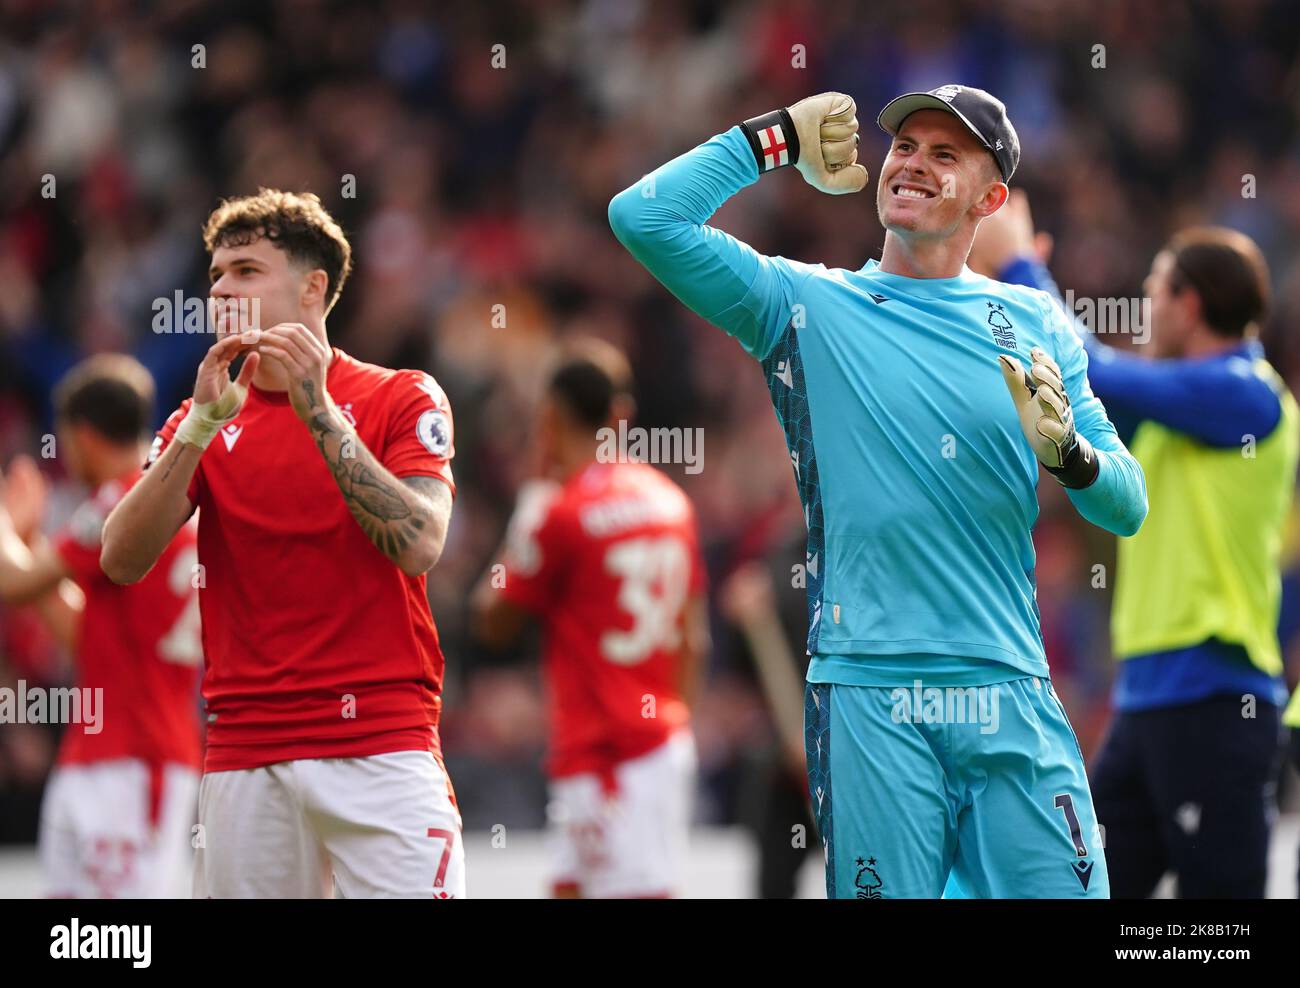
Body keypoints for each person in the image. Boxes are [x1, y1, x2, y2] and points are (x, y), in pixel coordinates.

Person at [610, 84, 1147, 898]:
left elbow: (1128, 501)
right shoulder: (805, 304)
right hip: (870, 694)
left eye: (944, 155)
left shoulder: (1034, 321)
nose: (912, 165)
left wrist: (1069, 455)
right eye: (904, 147)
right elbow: (643, 218)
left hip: (1008, 684)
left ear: (990, 197)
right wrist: (776, 139)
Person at [99, 189, 464, 898]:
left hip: (382, 743)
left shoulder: (401, 396)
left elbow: (419, 543)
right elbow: (121, 557)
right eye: (215, 275)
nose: (221, 289)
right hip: (246, 753)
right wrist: (202, 426)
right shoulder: (200, 417)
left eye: (245, 270)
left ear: (313, 286)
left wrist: (318, 409)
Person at [971, 197, 1298, 897]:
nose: (1145, 309)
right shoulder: (1178, 409)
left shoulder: (1247, 395)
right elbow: (1078, 381)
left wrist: (1021, 261)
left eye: (1154, 291)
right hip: (1147, 701)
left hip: (1217, 694)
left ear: (1189, 304)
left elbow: (1094, 366)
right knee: (1087, 888)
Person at [472, 339, 708, 898]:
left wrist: (529, 504)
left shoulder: (563, 512)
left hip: (606, 755)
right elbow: (693, 639)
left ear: (549, 417)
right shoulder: (672, 501)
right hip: (658, 743)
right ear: (619, 415)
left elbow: (491, 617)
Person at [0, 355, 202, 897]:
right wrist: (26, 544)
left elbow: (13, 582)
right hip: (109, 754)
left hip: (135, 760)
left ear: (84, 435)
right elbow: (86, 634)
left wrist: (5, 521)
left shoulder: (122, 502)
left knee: (120, 939)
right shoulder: (157, 502)